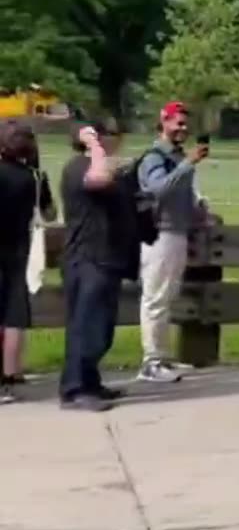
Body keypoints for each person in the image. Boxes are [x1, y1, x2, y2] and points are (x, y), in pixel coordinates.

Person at [59, 122, 137, 412]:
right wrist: (94, 146)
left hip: (106, 258)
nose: (120, 140)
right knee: (85, 326)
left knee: (100, 327)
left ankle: (90, 382)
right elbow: (98, 181)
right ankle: (74, 389)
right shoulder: (82, 166)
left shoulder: (97, 164)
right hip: (88, 258)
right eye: (114, 135)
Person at [135, 100, 209, 383]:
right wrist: (188, 164)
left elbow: (179, 193)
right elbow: (157, 190)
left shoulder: (177, 157)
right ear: (163, 122)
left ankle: (161, 357)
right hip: (160, 235)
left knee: (166, 298)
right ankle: (151, 362)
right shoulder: (156, 157)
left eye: (185, 123)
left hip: (177, 233)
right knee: (155, 299)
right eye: (177, 122)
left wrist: (197, 210)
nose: (183, 128)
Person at [0, 121, 54, 404]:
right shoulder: (34, 178)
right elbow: (49, 213)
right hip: (19, 249)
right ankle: (11, 376)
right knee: (13, 317)